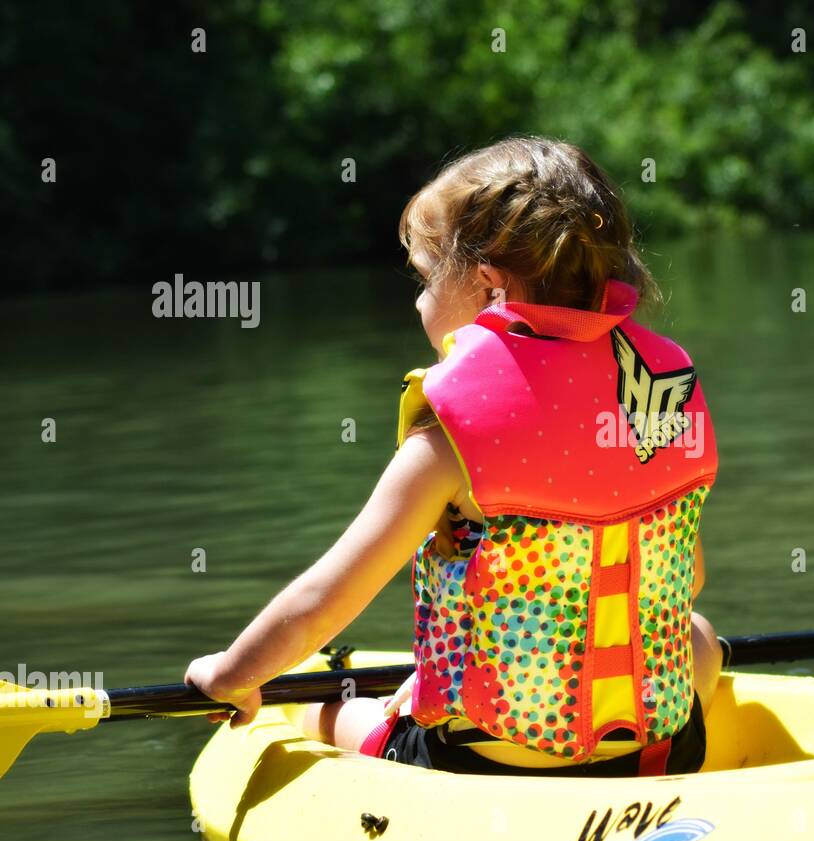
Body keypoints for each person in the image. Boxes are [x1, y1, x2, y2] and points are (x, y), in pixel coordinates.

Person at [184, 136, 721, 776]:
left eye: (424, 275)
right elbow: (684, 577)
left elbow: (326, 598)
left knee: (318, 706)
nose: (417, 301)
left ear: (490, 285)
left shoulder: (450, 437)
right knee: (701, 634)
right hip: (664, 748)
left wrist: (230, 673)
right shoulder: (657, 397)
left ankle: (354, 710)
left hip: (488, 759)